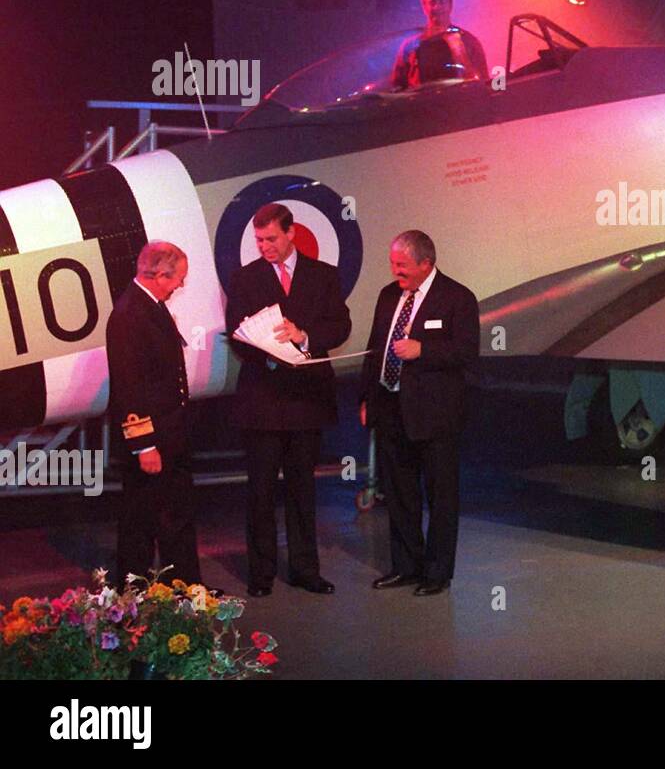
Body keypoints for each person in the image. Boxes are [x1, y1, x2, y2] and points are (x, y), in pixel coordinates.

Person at [225, 203, 351, 597]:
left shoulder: (323, 275)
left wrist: (304, 337)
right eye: (259, 240)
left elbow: (340, 325)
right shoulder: (244, 279)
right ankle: (261, 574)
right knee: (260, 491)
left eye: (272, 239)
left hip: (306, 400)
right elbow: (236, 334)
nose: (265, 246)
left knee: (303, 490)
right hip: (262, 399)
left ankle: (305, 570)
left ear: (291, 233)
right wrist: (265, 349)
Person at [359, 230, 480, 596]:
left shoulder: (457, 298)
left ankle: (437, 572)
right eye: (393, 264)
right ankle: (406, 566)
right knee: (399, 494)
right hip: (391, 408)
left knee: (440, 496)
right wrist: (367, 399)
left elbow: (467, 352)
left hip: (435, 414)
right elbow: (373, 349)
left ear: (426, 263)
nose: (396, 272)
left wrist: (421, 350)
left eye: (402, 265)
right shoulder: (387, 295)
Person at [107, 241, 206, 589]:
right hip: (151, 443)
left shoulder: (151, 307)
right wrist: (144, 444)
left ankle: (186, 589)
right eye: (178, 278)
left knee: (175, 517)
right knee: (141, 523)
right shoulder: (129, 315)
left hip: (170, 436)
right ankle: (132, 596)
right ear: (160, 274)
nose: (180, 285)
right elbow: (129, 386)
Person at [389, 0, 489, 89]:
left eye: (442, 2)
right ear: (424, 7)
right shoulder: (411, 45)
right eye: (432, 3)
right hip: (420, 104)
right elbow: (397, 86)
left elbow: (482, 81)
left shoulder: (468, 41)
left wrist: (460, 53)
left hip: (457, 102)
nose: (437, 7)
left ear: (450, 5)